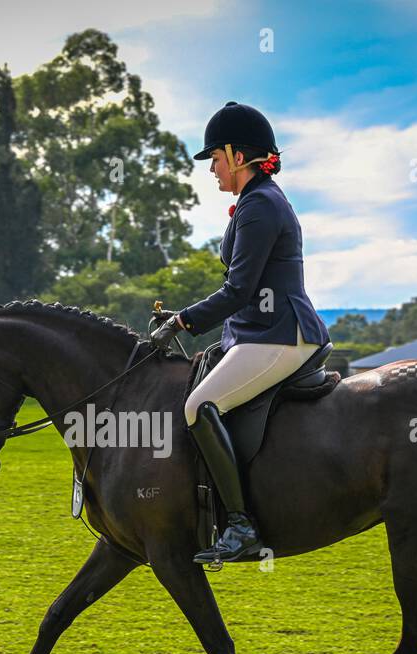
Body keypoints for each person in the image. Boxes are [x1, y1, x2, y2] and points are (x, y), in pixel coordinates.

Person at [155, 101, 331, 565]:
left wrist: (183, 321)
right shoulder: (257, 202)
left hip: (280, 334)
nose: (211, 168)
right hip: (260, 330)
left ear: (236, 155)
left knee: (200, 405)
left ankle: (240, 526)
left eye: (214, 158)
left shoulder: (260, 206)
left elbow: (237, 290)